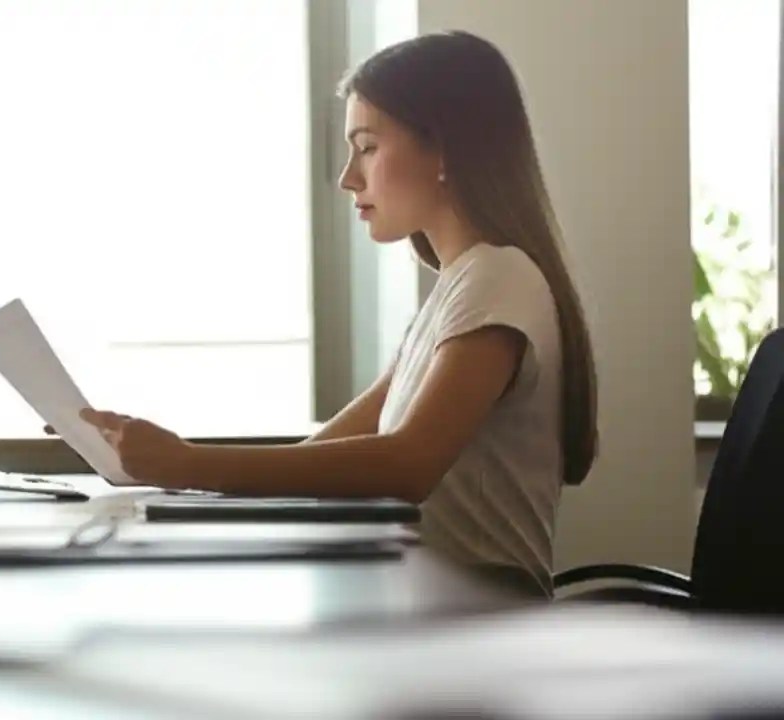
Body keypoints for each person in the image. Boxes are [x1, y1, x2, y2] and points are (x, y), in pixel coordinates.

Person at [68, 31, 598, 597]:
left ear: (443, 150)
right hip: (425, 604)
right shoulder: (456, 290)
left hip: (476, 617)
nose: (348, 177)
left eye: (367, 147)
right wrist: (165, 472)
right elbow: (318, 459)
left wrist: (187, 463)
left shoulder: (499, 277)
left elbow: (405, 467)